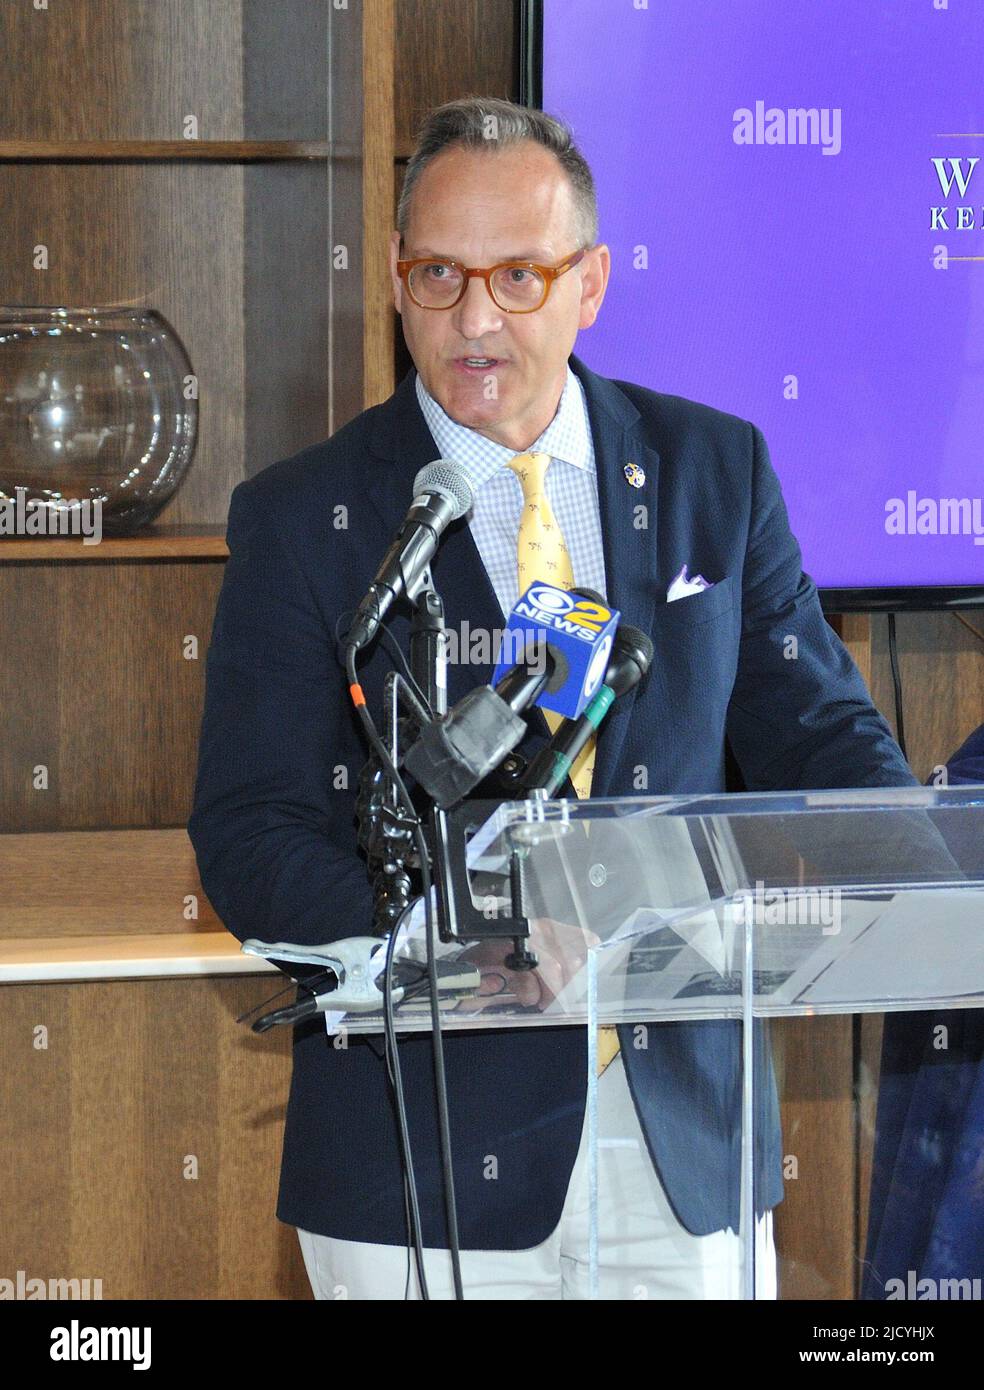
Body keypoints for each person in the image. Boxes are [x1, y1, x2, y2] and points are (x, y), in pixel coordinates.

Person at [188, 96, 920, 1300]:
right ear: (392, 277)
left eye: (519, 277)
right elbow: (252, 828)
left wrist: (910, 853)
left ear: (591, 283)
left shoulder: (711, 473)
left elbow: (822, 733)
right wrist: (463, 946)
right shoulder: (306, 517)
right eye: (439, 275)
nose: (475, 319)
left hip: (683, 1144)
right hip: (415, 1160)